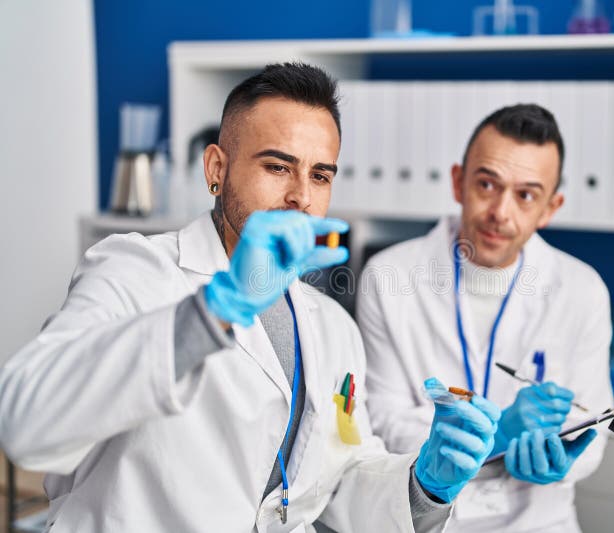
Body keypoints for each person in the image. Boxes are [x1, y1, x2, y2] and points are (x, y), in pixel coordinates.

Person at [0, 63, 501, 533]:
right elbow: (28, 424)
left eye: (320, 175)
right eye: (278, 167)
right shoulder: (135, 270)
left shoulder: (330, 325)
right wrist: (215, 310)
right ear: (216, 168)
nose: (301, 196)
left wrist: (425, 485)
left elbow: (338, 479)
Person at [358, 104, 614, 532]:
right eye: (486, 184)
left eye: (526, 195)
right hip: (428, 521)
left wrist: (560, 461)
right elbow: (383, 424)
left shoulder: (582, 290)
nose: (500, 211)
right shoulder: (388, 277)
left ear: (551, 207)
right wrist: (500, 435)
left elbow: (593, 436)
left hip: (539, 523)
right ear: (459, 182)